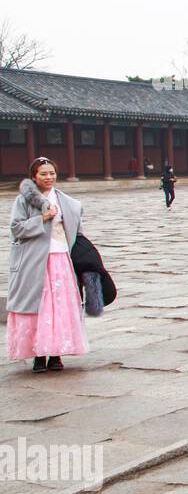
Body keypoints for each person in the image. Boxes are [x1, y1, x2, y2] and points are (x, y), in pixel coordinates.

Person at [8, 158, 89, 371]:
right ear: (34, 176)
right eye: (43, 174)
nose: (49, 177)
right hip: (35, 262)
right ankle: (38, 354)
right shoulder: (23, 201)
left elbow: (77, 231)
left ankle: (56, 353)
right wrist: (43, 218)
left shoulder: (67, 202)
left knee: (60, 307)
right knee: (39, 307)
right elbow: (16, 229)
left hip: (61, 257)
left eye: (52, 173)